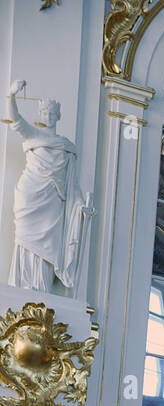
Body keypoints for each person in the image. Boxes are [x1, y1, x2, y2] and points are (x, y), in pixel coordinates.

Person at [7, 80, 95, 294]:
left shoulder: (66, 147)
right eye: (45, 113)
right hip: (30, 195)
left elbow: (72, 185)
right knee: (25, 241)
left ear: (58, 115)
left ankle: (41, 291)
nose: (48, 116)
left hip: (54, 202)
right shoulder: (34, 135)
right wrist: (11, 96)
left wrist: (82, 207)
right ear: (40, 114)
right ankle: (22, 287)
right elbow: (15, 120)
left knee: (48, 248)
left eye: (52, 113)